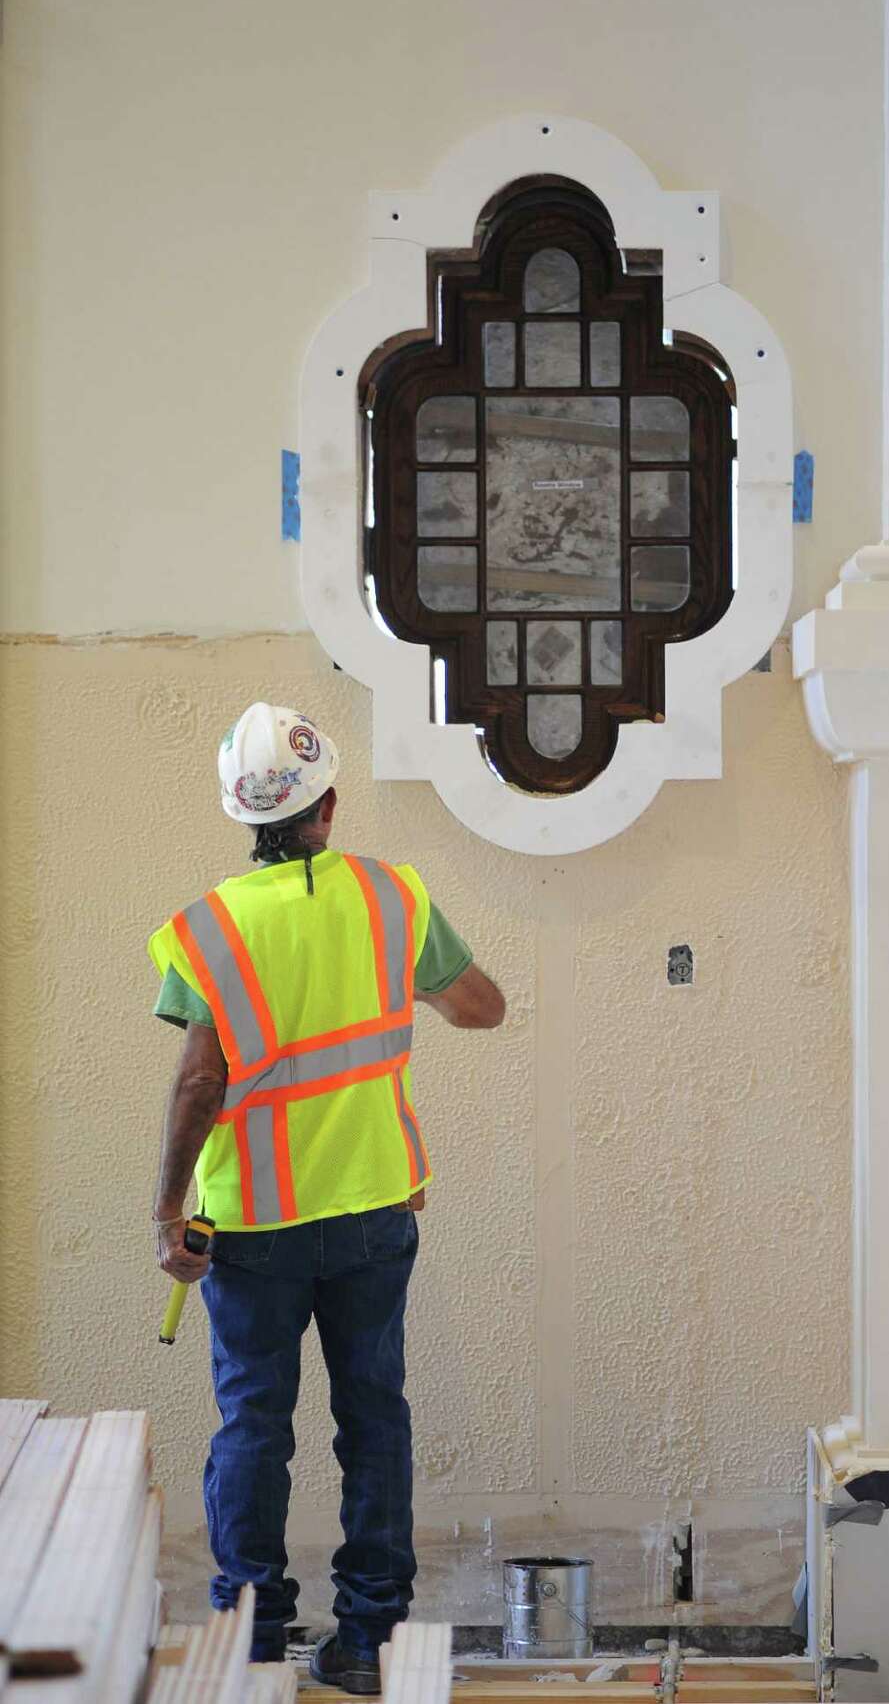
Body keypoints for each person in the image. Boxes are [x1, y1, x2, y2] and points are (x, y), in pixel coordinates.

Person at [149, 702, 505, 1695]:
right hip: (372, 1210)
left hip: (250, 1222)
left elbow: (196, 1083)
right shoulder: (394, 900)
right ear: (330, 804)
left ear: (240, 814)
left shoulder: (212, 928)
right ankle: (372, 1641)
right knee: (374, 1418)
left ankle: (253, 1639)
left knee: (254, 1426)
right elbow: (485, 1006)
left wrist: (165, 1215)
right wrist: (411, 986)